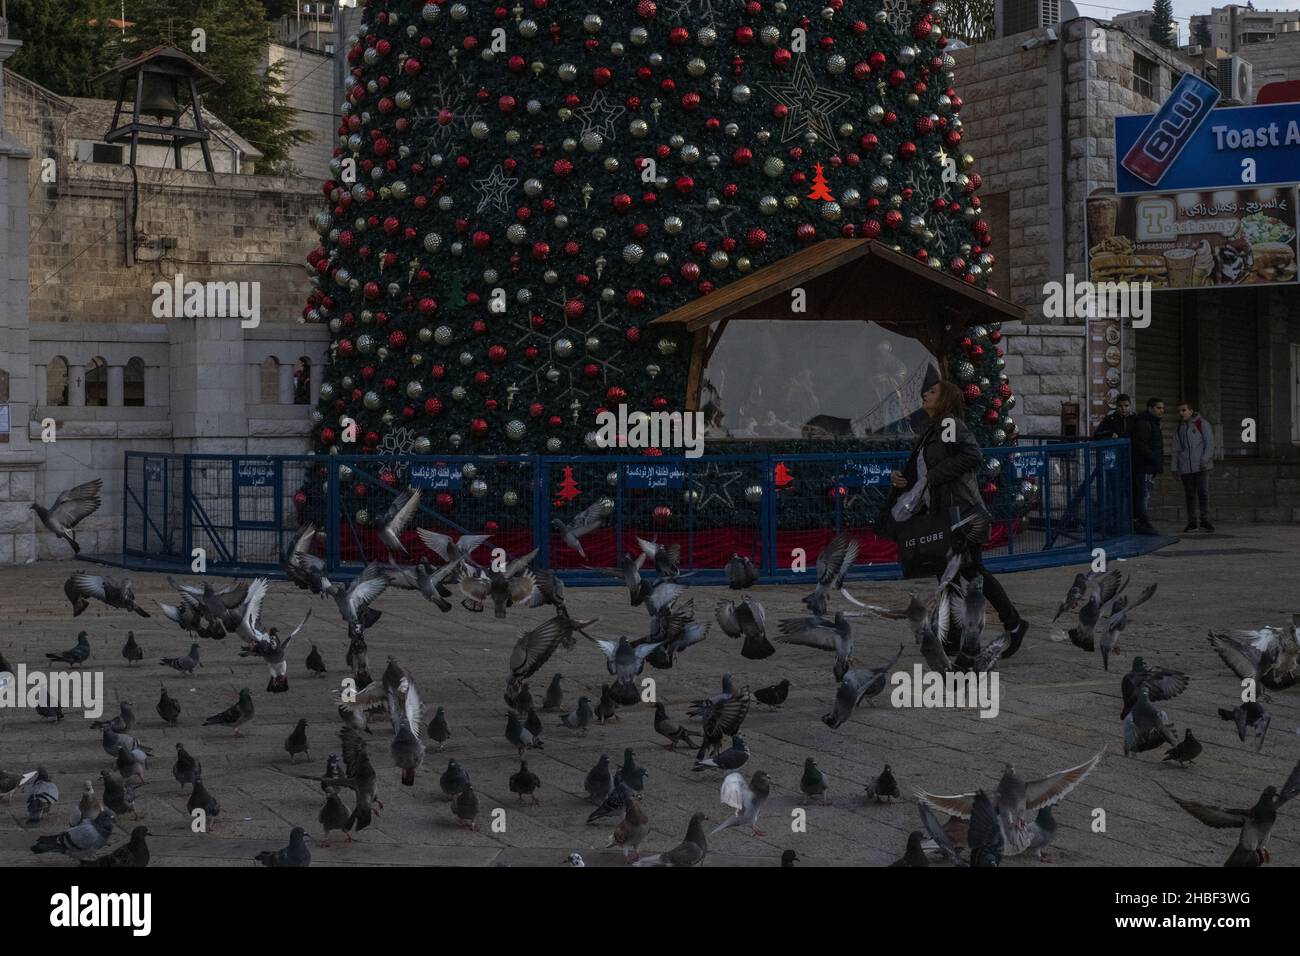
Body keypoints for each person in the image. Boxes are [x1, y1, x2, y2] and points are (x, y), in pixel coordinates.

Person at [887, 366, 1029, 658]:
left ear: (947, 400)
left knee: (971, 570)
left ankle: (1013, 624)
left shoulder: (950, 424)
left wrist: (936, 474)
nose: (925, 394)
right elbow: (924, 473)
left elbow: (972, 455)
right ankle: (953, 636)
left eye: (933, 392)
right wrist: (903, 478)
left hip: (963, 512)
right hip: (944, 513)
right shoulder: (932, 430)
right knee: (947, 575)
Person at [1171, 401, 1215, 533]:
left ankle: (1205, 521)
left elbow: (1209, 443)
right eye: (1179, 411)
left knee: (1203, 494)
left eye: (1184, 410)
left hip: (1201, 467)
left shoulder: (1202, 424)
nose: (1181, 413)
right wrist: (1174, 467)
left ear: (1191, 411)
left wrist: (1204, 459)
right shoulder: (1180, 428)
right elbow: (1176, 449)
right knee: (1189, 495)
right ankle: (1192, 523)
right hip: (1186, 468)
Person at [1130, 397, 1166, 535]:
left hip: (1150, 466)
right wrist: (1154, 458)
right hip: (1145, 466)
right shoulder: (1144, 423)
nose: (1161, 411)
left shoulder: (1153, 423)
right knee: (1143, 496)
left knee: (1144, 495)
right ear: (1150, 408)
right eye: (1158, 408)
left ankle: (1141, 523)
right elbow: (1141, 445)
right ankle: (1143, 524)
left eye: (1162, 408)